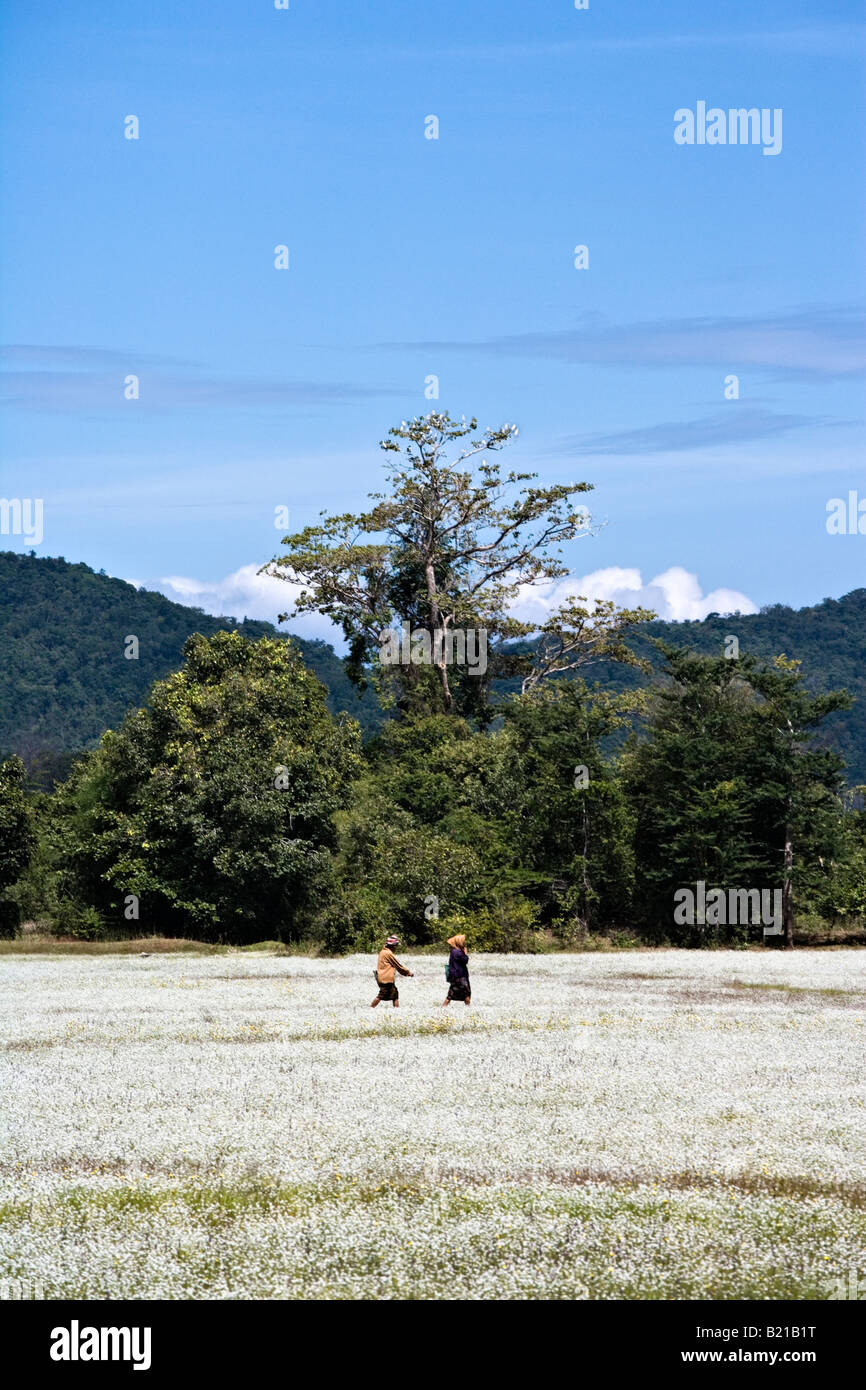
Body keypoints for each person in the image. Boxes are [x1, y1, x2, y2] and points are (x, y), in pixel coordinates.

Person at [371, 934, 413, 1007]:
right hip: (386, 979)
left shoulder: (383, 952)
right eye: (396, 945)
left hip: (383, 978)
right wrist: (407, 972)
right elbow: (398, 965)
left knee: (395, 995)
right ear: (393, 946)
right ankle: (371, 1008)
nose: (396, 947)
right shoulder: (388, 953)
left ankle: (396, 1011)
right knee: (381, 995)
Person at [443, 933, 471, 1006]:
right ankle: (468, 1008)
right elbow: (465, 960)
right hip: (460, 976)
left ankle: (442, 1008)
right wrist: (465, 953)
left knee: (451, 994)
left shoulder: (453, 951)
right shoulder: (458, 952)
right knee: (467, 992)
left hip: (455, 976)